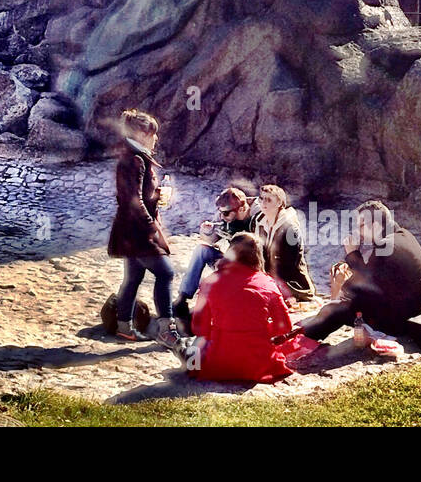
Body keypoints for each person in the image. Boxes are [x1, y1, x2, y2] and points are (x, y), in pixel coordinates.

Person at [299, 200, 421, 342]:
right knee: (345, 304)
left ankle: (300, 342)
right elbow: (377, 278)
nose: (358, 231)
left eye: (361, 226)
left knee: (336, 310)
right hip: (415, 312)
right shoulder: (403, 235)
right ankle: (305, 335)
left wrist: (352, 253)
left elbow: (363, 285)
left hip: (401, 322)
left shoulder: (385, 246)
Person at [178, 233, 299, 383]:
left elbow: (200, 328)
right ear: (258, 255)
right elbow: (285, 326)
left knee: (194, 345)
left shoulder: (210, 281)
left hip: (220, 360)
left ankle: (185, 355)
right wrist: (259, 330)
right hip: (257, 363)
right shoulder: (268, 283)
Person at [108, 108, 178, 345]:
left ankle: (124, 328)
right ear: (140, 133)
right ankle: (167, 331)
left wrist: (157, 195)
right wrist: (151, 227)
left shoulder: (133, 156)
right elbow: (133, 200)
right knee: (166, 273)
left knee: (133, 277)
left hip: (129, 229)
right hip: (138, 231)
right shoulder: (135, 160)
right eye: (152, 133)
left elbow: (137, 195)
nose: (155, 138)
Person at [172, 186, 260, 329]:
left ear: (241, 209)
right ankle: (182, 298)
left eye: (226, 213)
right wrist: (207, 232)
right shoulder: (225, 215)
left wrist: (228, 262)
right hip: (230, 260)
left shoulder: (257, 218)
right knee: (201, 250)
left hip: (250, 267)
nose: (222, 216)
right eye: (220, 212)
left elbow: (261, 254)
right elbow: (211, 240)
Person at [256, 184, 316, 302]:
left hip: (293, 285)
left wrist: (266, 279)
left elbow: (290, 264)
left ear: (279, 203)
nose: (263, 203)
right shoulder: (259, 222)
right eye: (261, 198)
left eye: (269, 200)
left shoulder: (290, 228)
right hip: (270, 279)